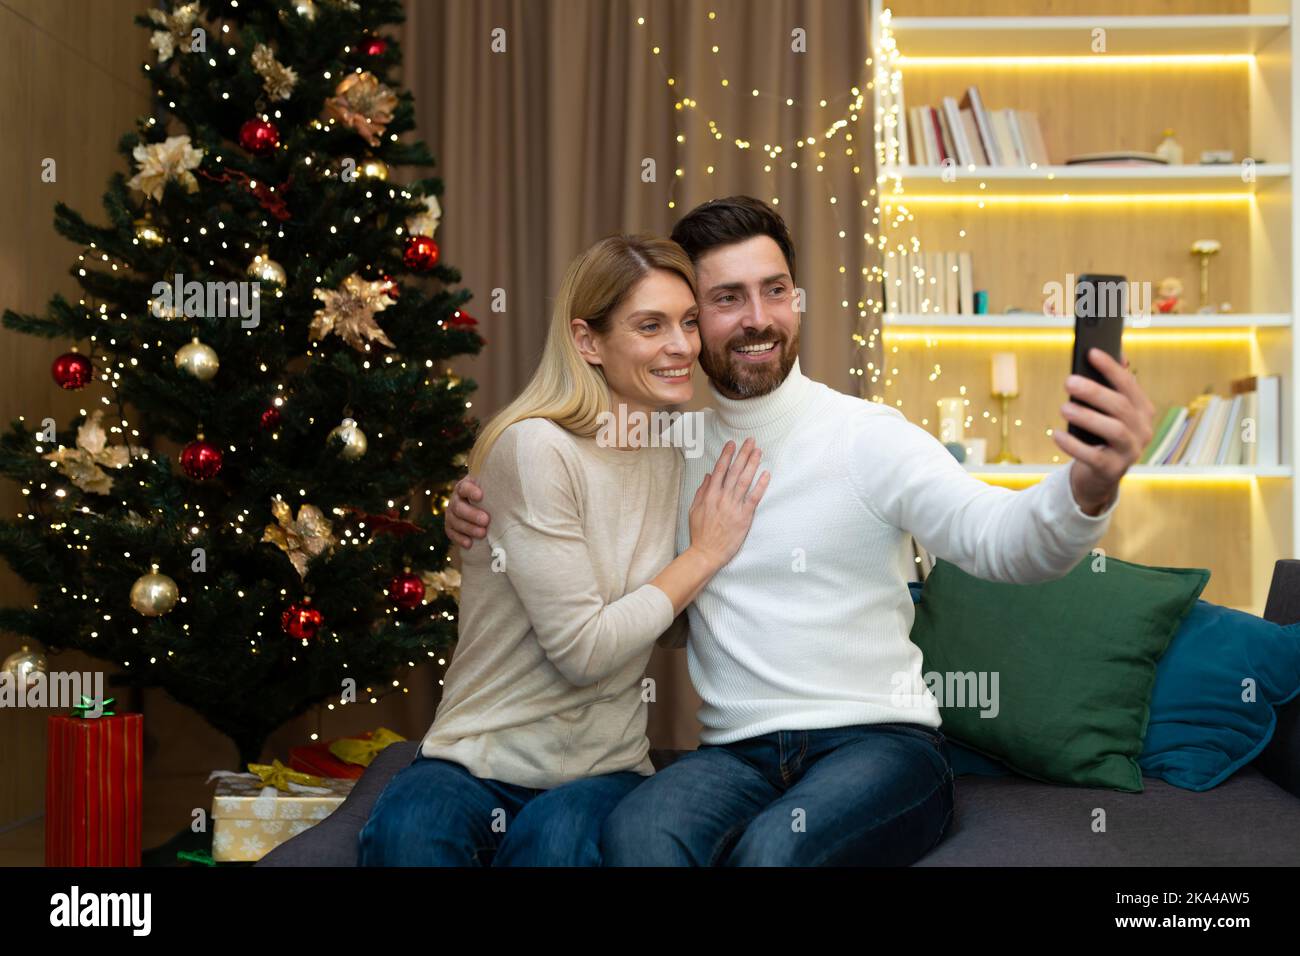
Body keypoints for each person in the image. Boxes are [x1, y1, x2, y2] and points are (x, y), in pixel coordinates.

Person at [446, 197, 1156, 866]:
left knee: (774, 855)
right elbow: (590, 539)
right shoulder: (665, 446)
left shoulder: (864, 436)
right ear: (691, 321)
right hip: (735, 753)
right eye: (726, 300)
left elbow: (1004, 539)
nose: (759, 319)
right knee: (637, 837)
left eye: (776, 290)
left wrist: (1088, 486)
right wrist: (480, 510)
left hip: (879, 742)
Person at [358, 234, 770, 866]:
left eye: (688, 322)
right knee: (408, 837)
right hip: (478, 757)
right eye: (650, 325)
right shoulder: (535, 448)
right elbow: (585, 652)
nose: (682, 346)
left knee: (554, 841)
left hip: (604, 768)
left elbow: (674, 626)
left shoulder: (678, 450)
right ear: (587, 341)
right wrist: (704, 555)